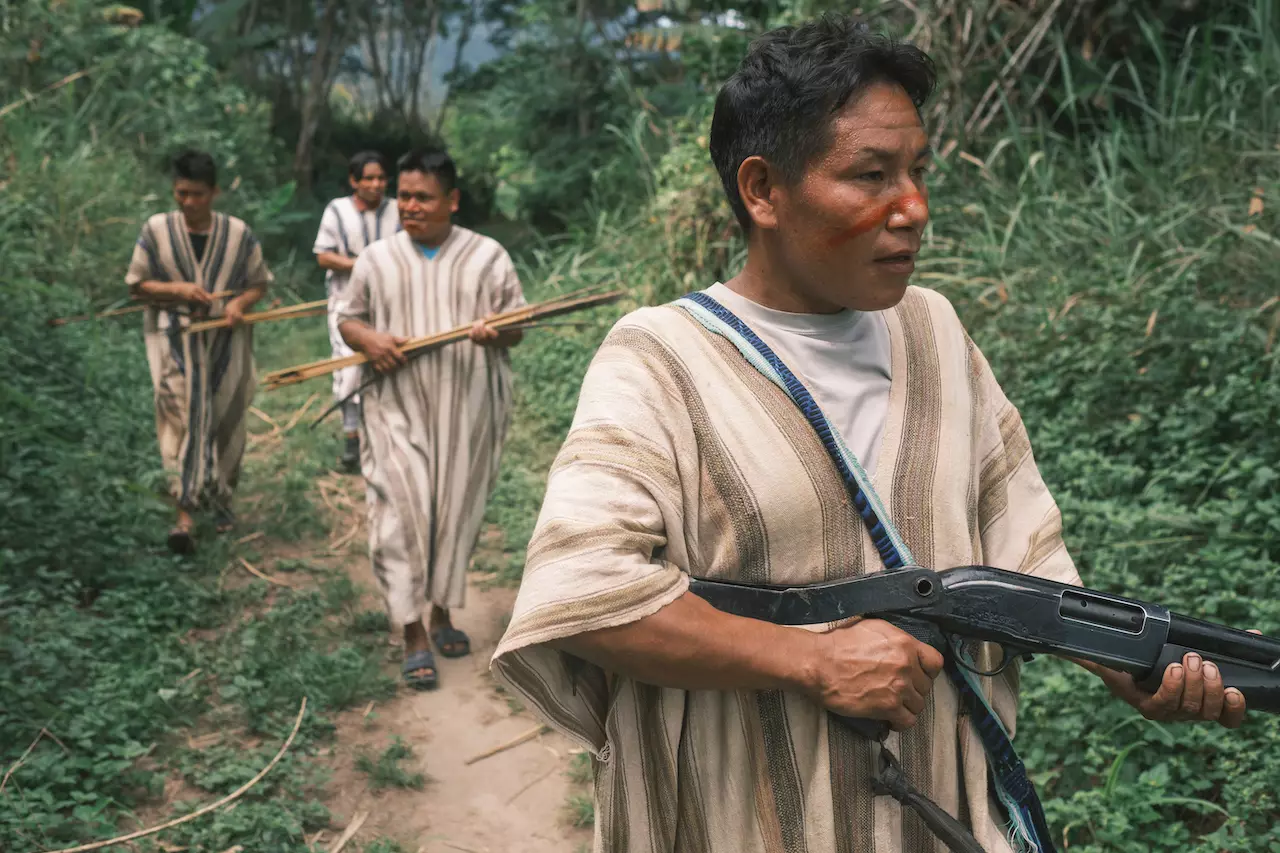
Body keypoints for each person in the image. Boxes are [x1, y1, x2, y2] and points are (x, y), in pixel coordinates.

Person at [490, 16, 1250, 853]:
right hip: (739, 808)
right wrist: (808, 660)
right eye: (871, 175)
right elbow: (582, 593)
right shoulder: (662, 358)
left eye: (919, 171)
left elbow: (1020, 537)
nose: (914, 208)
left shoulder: (934, 330)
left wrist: (1126, 664)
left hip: (936, 805)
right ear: (762, 190)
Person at [335, 148, 527, 690]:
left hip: (468, 409)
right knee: (398, 511)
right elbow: (350, 320)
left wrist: (499, 328)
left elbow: (518, 324)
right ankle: (412, 630)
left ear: (452, 200)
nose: (410, 206)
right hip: (394, 406)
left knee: (451, 513)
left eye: (423, 197)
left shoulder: (488, 257)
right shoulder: (376, 259)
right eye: (404, 196)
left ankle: (442, 611)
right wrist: (371, 339)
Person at [125, 149, 273, 554]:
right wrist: (178, 290)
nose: (188, 202)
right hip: (172, 339)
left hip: (225, 340)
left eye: (197, 194)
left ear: (215, 192)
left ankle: (221, 498)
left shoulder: (238, 234)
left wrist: (238, 305)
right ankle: (185, 512)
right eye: (181, 193)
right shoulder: (156, 230)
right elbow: (137, 284)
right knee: (183, 416)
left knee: (225, 417)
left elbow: (259, 283)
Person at [313, 150, 400, 472]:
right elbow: (323, 256)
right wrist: (362, 265)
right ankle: (352, 439)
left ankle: (386, 440)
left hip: (391, 302)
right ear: (354, 181)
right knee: (349, 370)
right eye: (369, 178)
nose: (376, 185)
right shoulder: (337, 211)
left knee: (389, 363)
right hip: (346, 303)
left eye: (381, 178)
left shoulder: (397, 210)